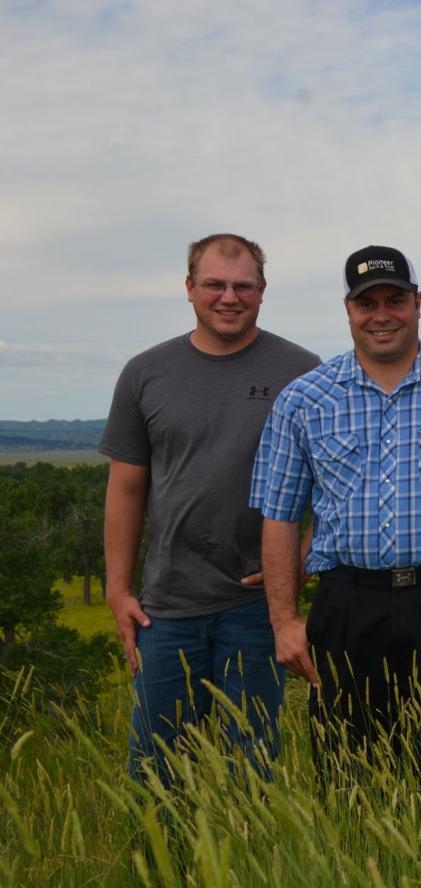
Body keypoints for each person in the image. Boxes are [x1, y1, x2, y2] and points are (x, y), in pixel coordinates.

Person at [252, 244, 421, 780]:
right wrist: (284, 621)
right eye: (366, 302)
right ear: (348, 310)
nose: (382, 314)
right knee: (347, 776)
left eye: (395, 299)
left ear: (418, 302)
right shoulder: (304, 399)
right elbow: (279, 516)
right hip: (345, 604)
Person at [101, 233, 321, 784]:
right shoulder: (145, 373)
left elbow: (336, 483)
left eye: (243, 286)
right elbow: (126, 488)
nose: (229, 297)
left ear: (262, 291)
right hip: (166, 606)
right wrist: (117, 589)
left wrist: (301, 560)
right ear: (190, 288)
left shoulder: (303, 371)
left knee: (249, 766)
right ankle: (162, 870)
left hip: (256, 607)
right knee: (157, 771)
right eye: (215, 285)